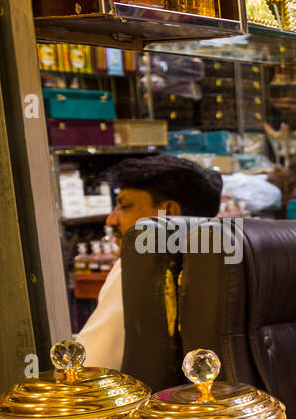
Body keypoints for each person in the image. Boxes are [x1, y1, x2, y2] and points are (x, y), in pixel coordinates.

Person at [76, 155, 223, 370]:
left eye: (124, 206)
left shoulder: (144, 264)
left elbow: (89, 366)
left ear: (169, 213)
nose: (111, 220)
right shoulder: (221, 257)